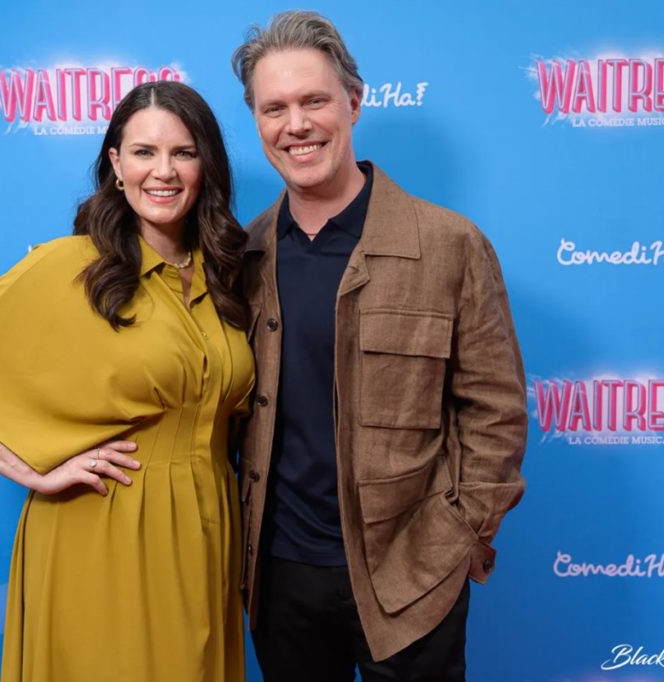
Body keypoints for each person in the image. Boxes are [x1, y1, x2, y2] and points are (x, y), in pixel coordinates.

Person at [0, 80, 253, 682]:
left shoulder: (221, 273)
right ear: (116, 165)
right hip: (104, 525)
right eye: (144, 152)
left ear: (206, 165)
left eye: (184, 152)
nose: (163, 171)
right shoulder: (72, 264)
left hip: (207, 524)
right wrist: (32, 470)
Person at [231, 11, 527, 682]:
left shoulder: (450, 244)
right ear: (256, 121)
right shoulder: (240, 257)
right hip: (280, 581)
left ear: (355, 102)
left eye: (314, 100)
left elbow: (497, 413)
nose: (296, 124)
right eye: (274, 108)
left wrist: (453, 543)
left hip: (411, 581)